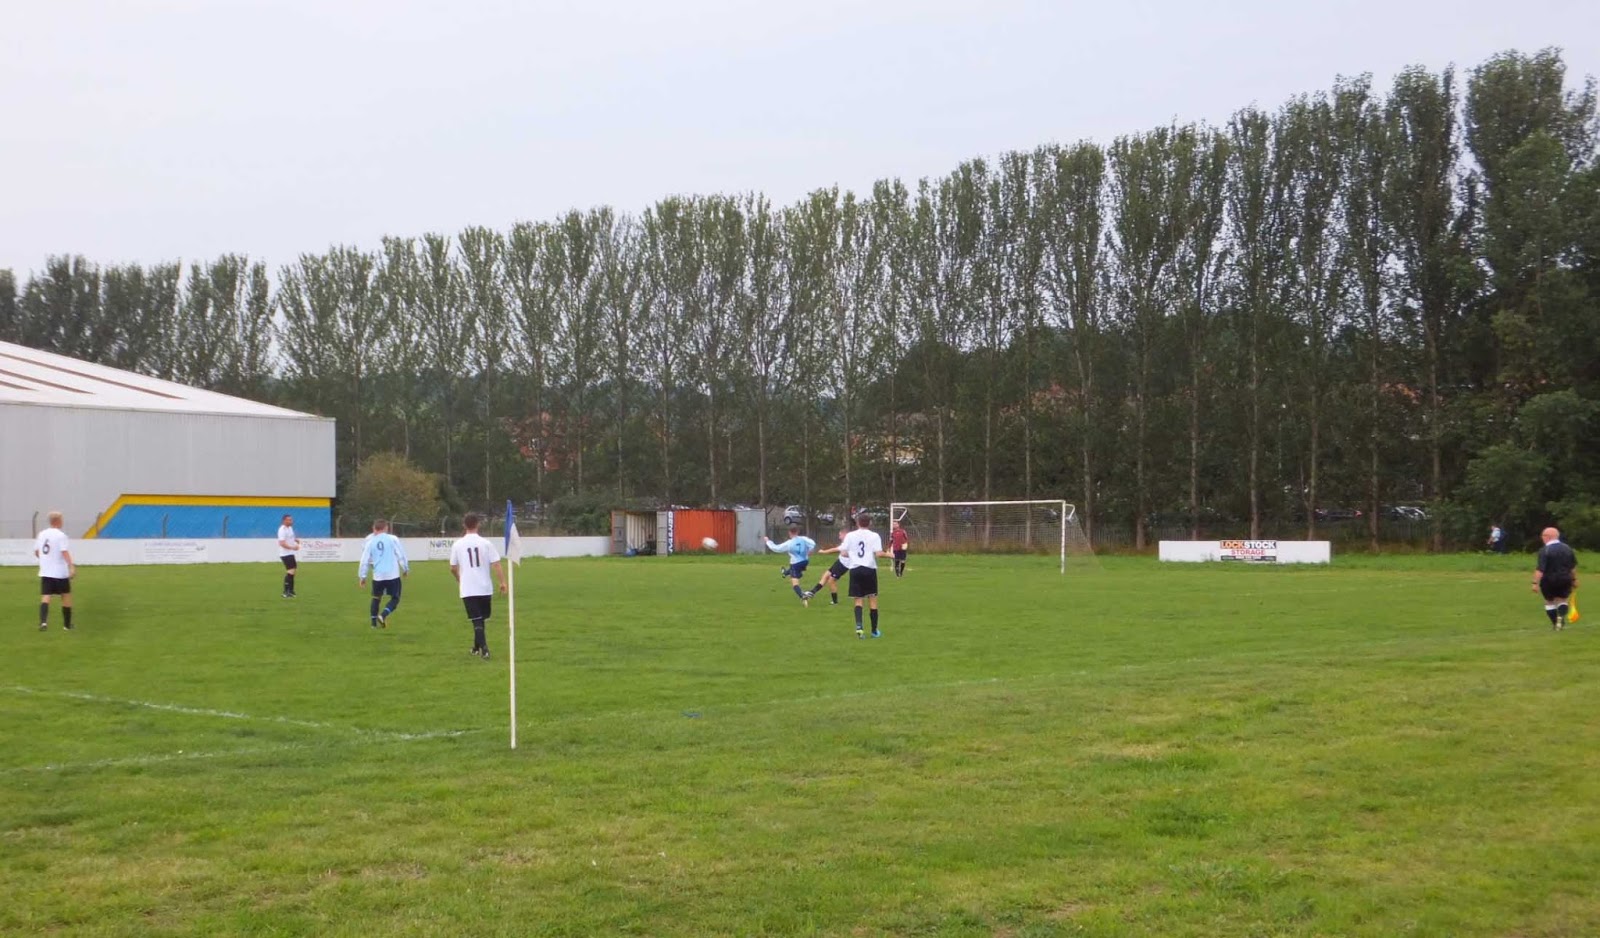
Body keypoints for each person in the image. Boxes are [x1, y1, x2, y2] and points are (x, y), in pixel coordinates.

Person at [450, 512, 506, 659]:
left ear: (464, 525)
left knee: (477, 620)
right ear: (478, 524)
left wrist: (459, 579)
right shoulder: (486, 543)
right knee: (480, 619)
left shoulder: (457, 544)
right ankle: (479, 648)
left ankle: (482, 649)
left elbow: (453, 568)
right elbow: (496, 564)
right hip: (484, 587)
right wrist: (502, 582)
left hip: (468, 588)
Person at [839, 512, 893, 639]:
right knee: (872, 599)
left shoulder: (850, 535)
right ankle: (874, 631)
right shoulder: (874, 535)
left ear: (857, 523)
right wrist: (890, 555)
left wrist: (853, 555)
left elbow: (843, 553)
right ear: (870, 523)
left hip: (855, 569)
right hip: (869, 569)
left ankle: (859, 627)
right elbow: (879, 554)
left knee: (858, 599)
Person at [357, 519, 410, 628]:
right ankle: (383, 615)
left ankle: (373, 625)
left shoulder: (370, 542)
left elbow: (364, 560)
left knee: (376, 598)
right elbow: (401, 555)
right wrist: (405, 568)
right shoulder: (392, 539)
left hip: (378, 576)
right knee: (395, 598)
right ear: (386, 528)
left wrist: (362, 577)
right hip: (392, 575)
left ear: (374, 528)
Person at [34, 511, 76, 631]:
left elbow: (37, 552)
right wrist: (71, 566)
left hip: (46, 571)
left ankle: (43, 623)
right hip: (59, 572)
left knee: (46, 596)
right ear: (58, 521)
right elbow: (64, 551)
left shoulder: (42, 534)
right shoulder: (61, 535)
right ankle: (67, 625)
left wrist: (45, 560)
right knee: (66, 596)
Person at [1532, 526, 1579, 630]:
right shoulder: (1567, 548)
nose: (1542, 538)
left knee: (1549, 601)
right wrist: (1574, 579)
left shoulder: (1545, 550)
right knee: (1562, 599)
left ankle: (1556, 623)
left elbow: (1540, 569)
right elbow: (1572, 567)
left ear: (1548, 537)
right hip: (1565, 579)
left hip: (1548, 580)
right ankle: (1561, 612)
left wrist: (1535, 583)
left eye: (1543, 535)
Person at [764, 524, 817, 605]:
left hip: (796, 563)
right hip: (805, 561)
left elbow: (776, 548)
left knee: (794, 583)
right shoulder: (804, 539)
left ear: (789, 532)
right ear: (798, 531)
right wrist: (809, 551)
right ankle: (785, 573)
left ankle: (803, 596)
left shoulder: (789, 543)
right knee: (793, 569)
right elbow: (813, 544)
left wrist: (768, 541)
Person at [804, 527, 850, 607]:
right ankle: (812, 592)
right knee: (825, 575)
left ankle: (835, 602)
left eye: (840, 535)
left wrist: (824, 552)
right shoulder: (846, 542)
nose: (839, 537)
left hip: (843, 565)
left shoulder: (848, 543)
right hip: (839, 562)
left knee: (831, 581)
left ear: (845, 534)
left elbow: (835, 549)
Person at [277, 514, 301, 598]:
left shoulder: (290, 528)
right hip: (285, 553)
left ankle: (291, 591)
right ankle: (286, 591)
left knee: (293, 571)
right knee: (290, 571)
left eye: (291, 520)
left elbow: (290, 537)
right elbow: (282, 543)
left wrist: (295, 540)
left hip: (290, 553)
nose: (291, 521)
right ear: (284, 521)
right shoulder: (282, 530)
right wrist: (293, 547)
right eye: (289, 520)